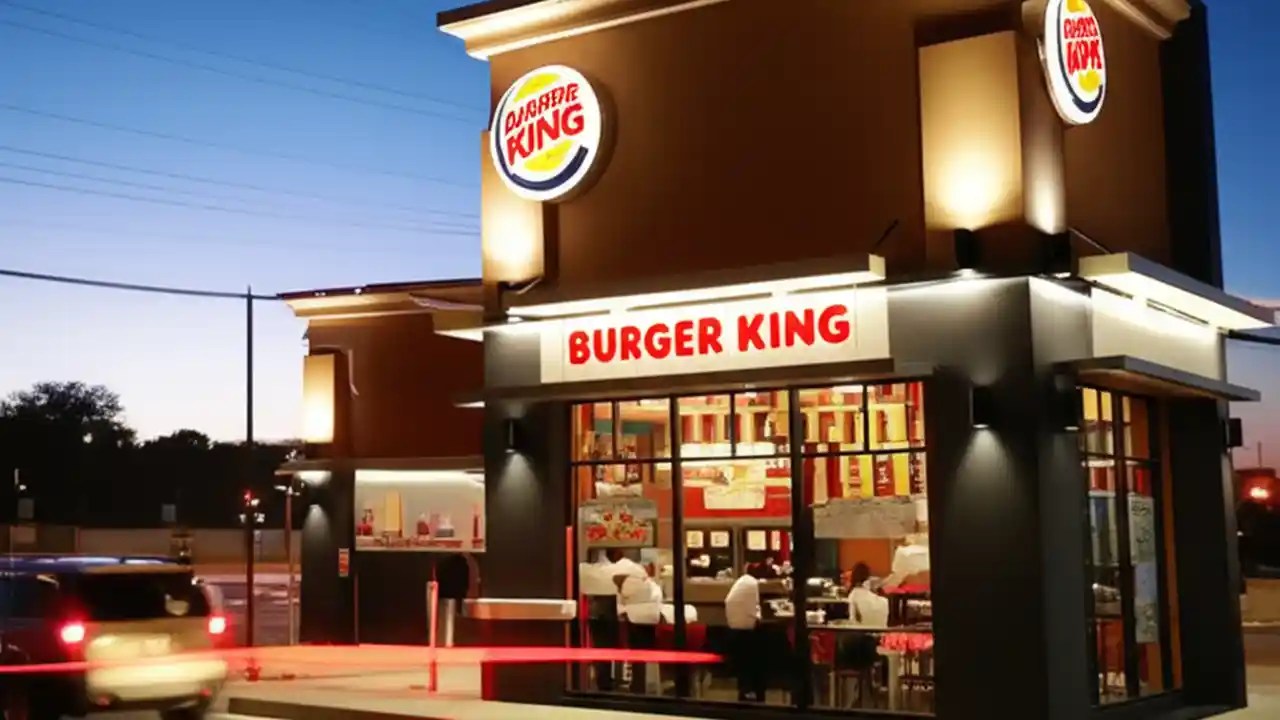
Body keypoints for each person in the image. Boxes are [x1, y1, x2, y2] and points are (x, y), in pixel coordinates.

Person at [610, 549, 663, 693]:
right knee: (644, 656)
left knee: (637, 654)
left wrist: (622, 610)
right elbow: (657, 596)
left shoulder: (623, 575)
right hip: (649, 618)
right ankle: (642, 685)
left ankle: (638, 685)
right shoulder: (645, 579)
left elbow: (623, 597)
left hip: (634, 619)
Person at [724, 562, 770, 701]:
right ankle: (757, 690)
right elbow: (754, 609)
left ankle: (747, 689)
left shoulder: (743, 581)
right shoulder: (752, 584)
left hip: (734, 629)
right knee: (761, 656)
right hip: (745, 631)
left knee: (746, 664)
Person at [847, 562, 889, 627]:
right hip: (882, 634)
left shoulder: (854, 595)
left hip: (864, 634)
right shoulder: (883, 600)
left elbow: (852, 620)